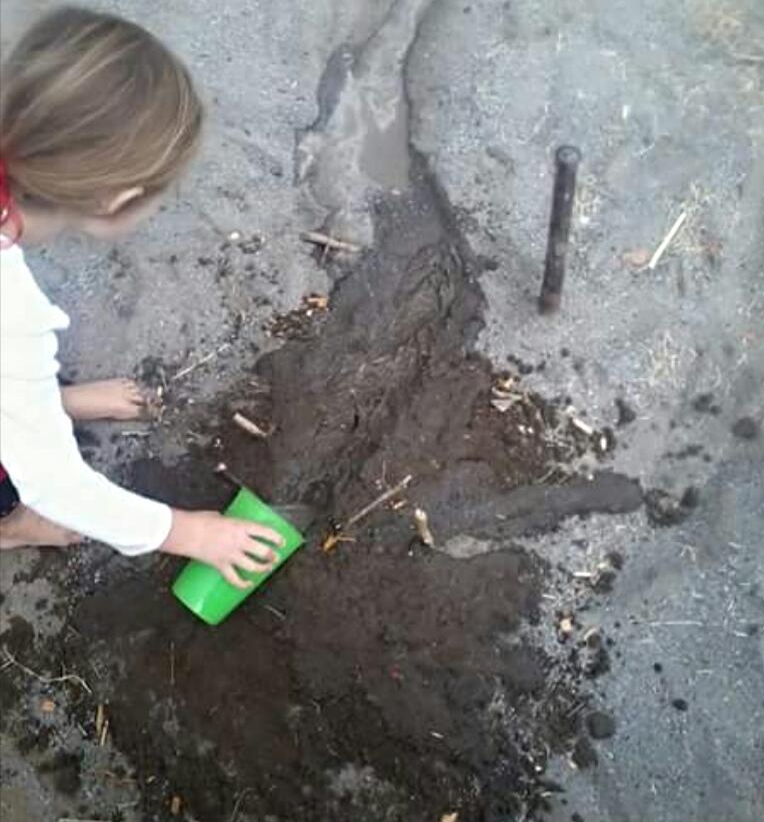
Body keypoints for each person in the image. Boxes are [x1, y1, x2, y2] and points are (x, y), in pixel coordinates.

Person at [0, 6, 282, 588]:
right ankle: (11, 525)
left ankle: (44, 407)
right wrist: (193, 534)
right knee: (17, 483)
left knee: (18, 399)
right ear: (115, 199)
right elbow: (59, 485)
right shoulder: (11, 314)